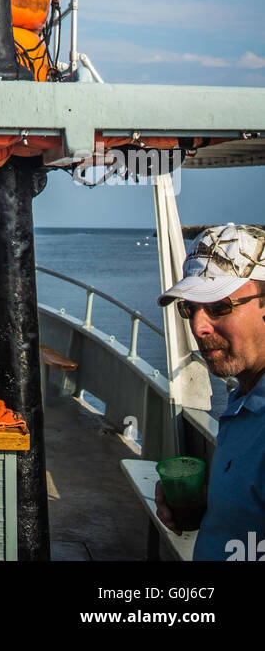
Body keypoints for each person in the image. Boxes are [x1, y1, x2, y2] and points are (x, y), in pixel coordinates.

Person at [154, 223, 265, 560]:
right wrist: (218, 501)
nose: (198, 327)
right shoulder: (244, 398)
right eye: (189, 308)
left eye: (219, 307)